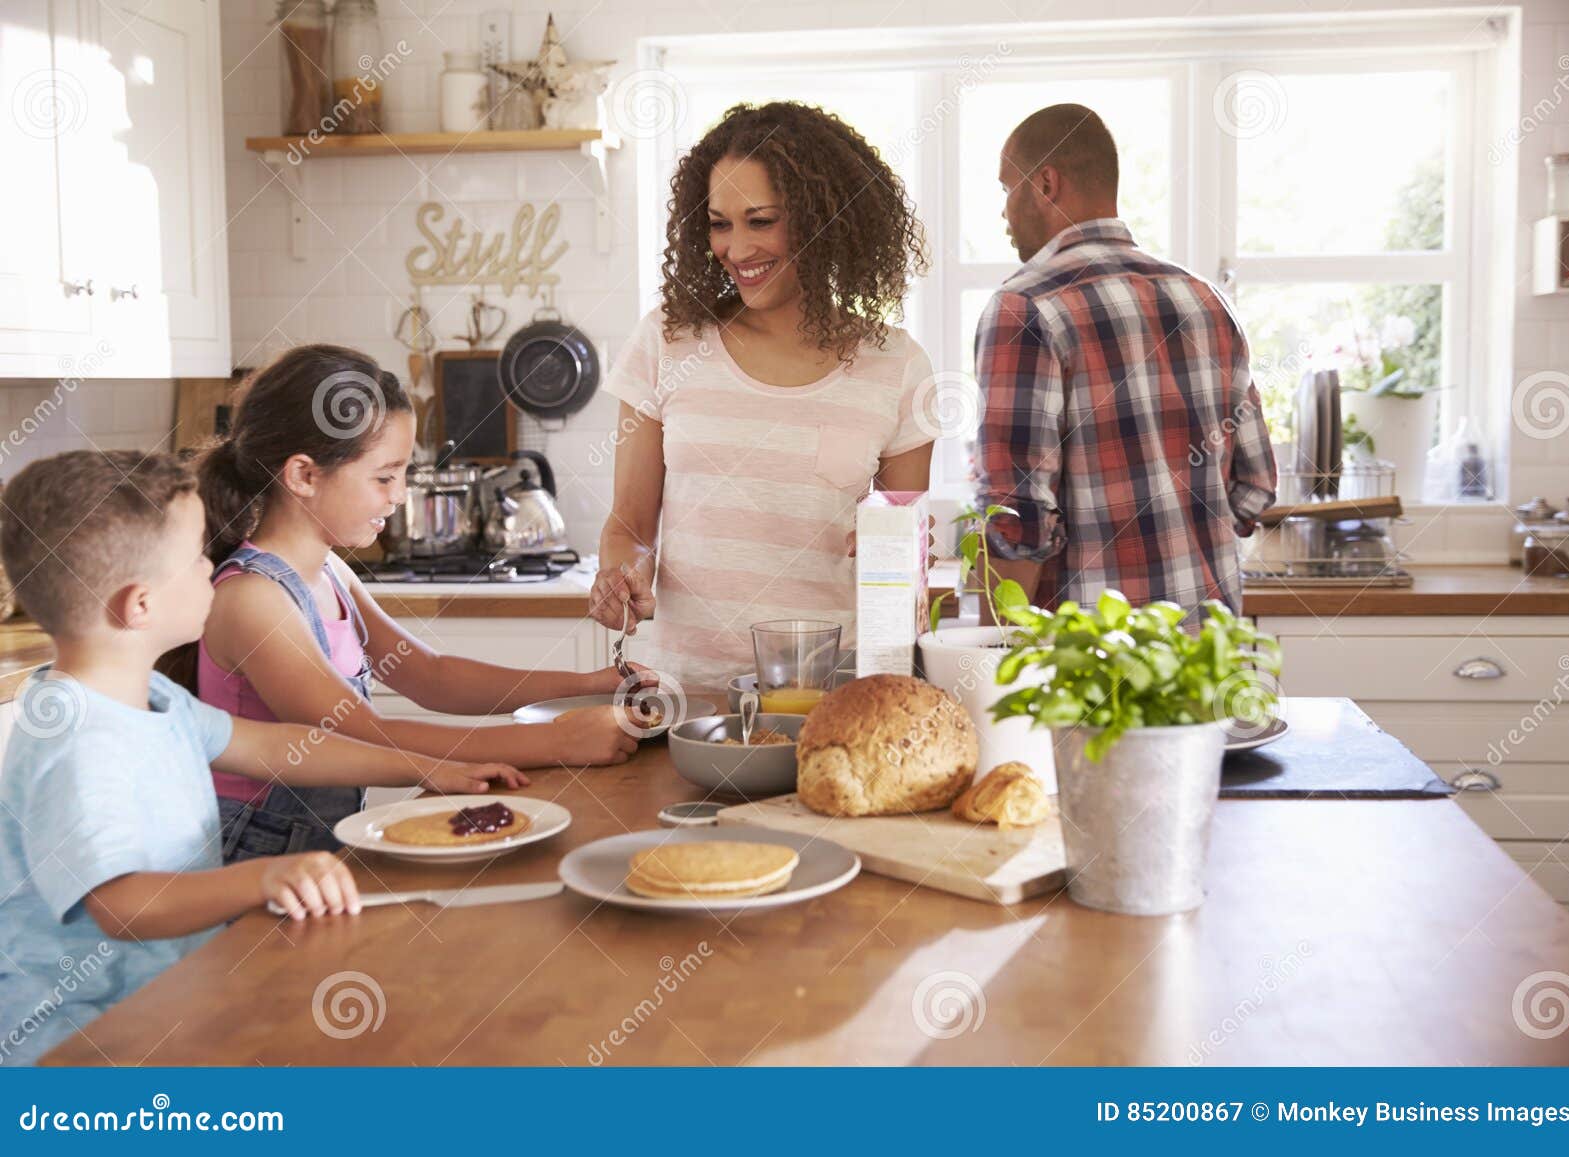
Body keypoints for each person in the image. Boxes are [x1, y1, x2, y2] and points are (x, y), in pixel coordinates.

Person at [0, 450, 521, 1065]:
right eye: (197, 556)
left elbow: (273, 746)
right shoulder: (78, 742)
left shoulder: (151, 697)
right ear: (137, 606)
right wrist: (262, 877)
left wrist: (422, 768)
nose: (210, 568)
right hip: (76, 1044)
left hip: (160, 1007)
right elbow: (122, 905)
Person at [194, 344, 648, 861]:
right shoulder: (254, 599)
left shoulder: (330, 571)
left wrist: (586, 687)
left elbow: (431, 675)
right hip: (251, 856)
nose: (401, 495)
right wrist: (555, 743)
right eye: (384, 477)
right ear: (303, 475)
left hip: (313, 850)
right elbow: (362, 734)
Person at [588, 101, 945, 688]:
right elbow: (629, 524)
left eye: (761, 221)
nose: (736, 248)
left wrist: (900, 552)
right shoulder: (667, 341)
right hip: (686, 695)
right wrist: (621, 576)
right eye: (720, 223)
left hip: (833, 692)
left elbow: (904, 545)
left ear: (823, 220)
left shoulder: (897, 365)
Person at [974, 104, 1276, 618]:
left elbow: (1018, 520)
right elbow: (1256, 486)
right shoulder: (1205, 299)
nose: (1004, 212)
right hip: (1204, 659)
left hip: (1087, 671)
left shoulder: (1024, 308)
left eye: (1007, 189)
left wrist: (991, 663)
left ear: (1045, 183)